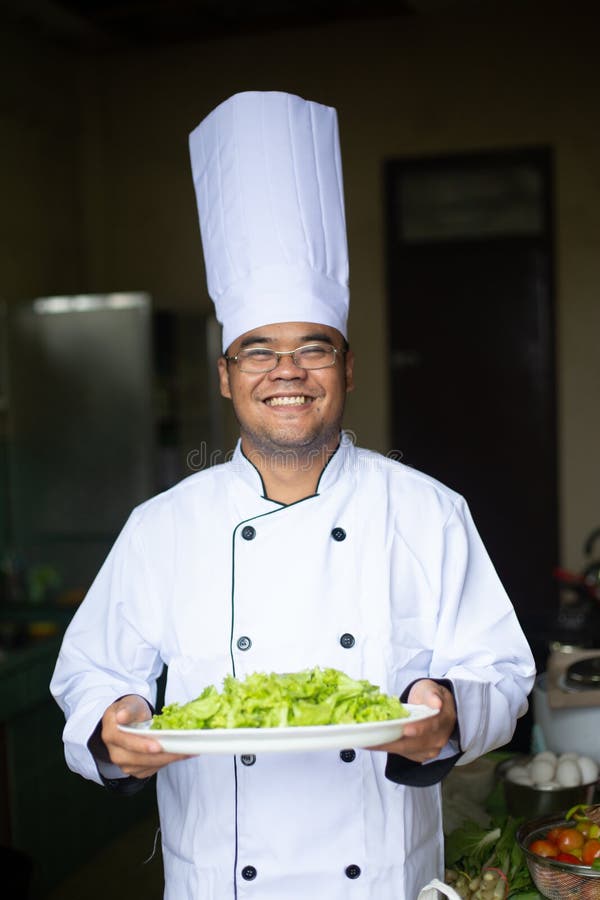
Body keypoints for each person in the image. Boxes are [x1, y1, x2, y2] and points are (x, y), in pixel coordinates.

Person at [50, 91, 535, 900]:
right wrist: (115, 725)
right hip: (220, 882)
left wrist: (448, 711)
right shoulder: (162, 526)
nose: (286, 371)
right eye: (257, 351)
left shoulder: (427, 509)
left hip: (377, 880)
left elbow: (504, 675)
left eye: (313, 348)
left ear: (346, 369)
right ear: (226, 377)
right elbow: (92, 673)